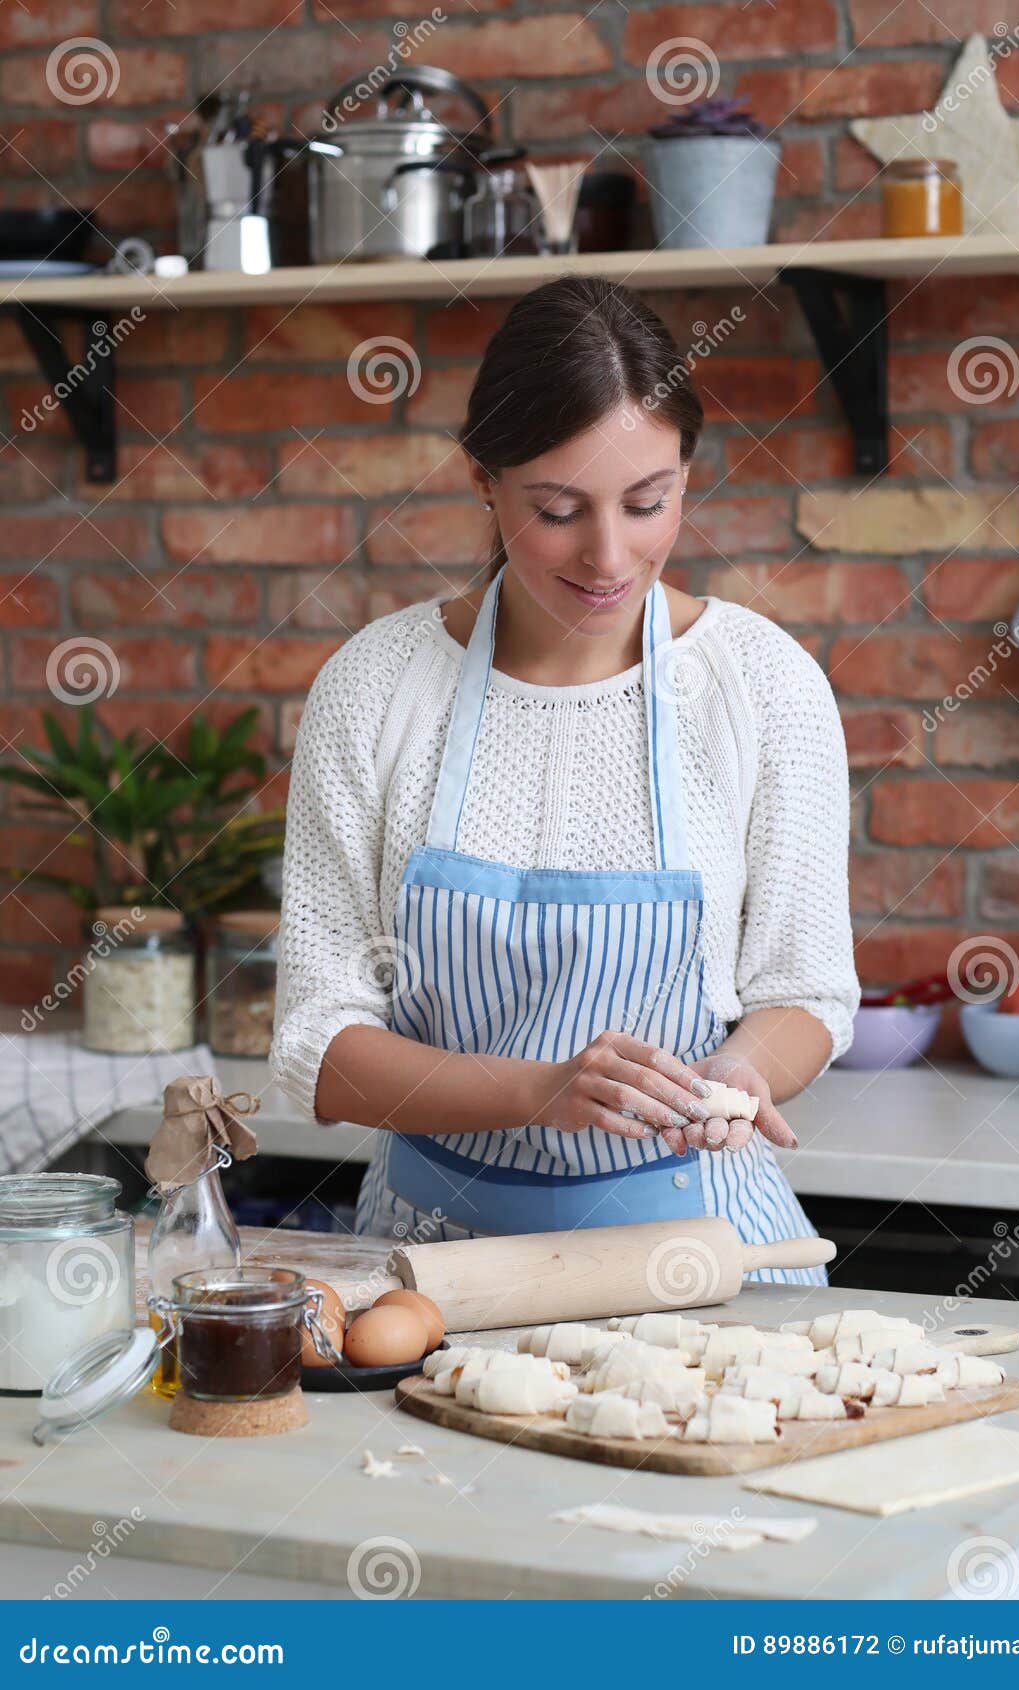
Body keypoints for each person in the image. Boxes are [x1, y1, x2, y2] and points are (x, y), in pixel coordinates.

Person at [270, 276, 859, 1284]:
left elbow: (804, 991)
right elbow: (320, 1047)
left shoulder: (761, 685)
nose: (607, 555)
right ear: (481, 481)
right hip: (427, 1266)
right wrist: (538, 1090)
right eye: (556, 509)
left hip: (704, 1256)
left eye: (647, 502)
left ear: (684, 474)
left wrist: (742, 1071)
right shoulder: (373, 688)